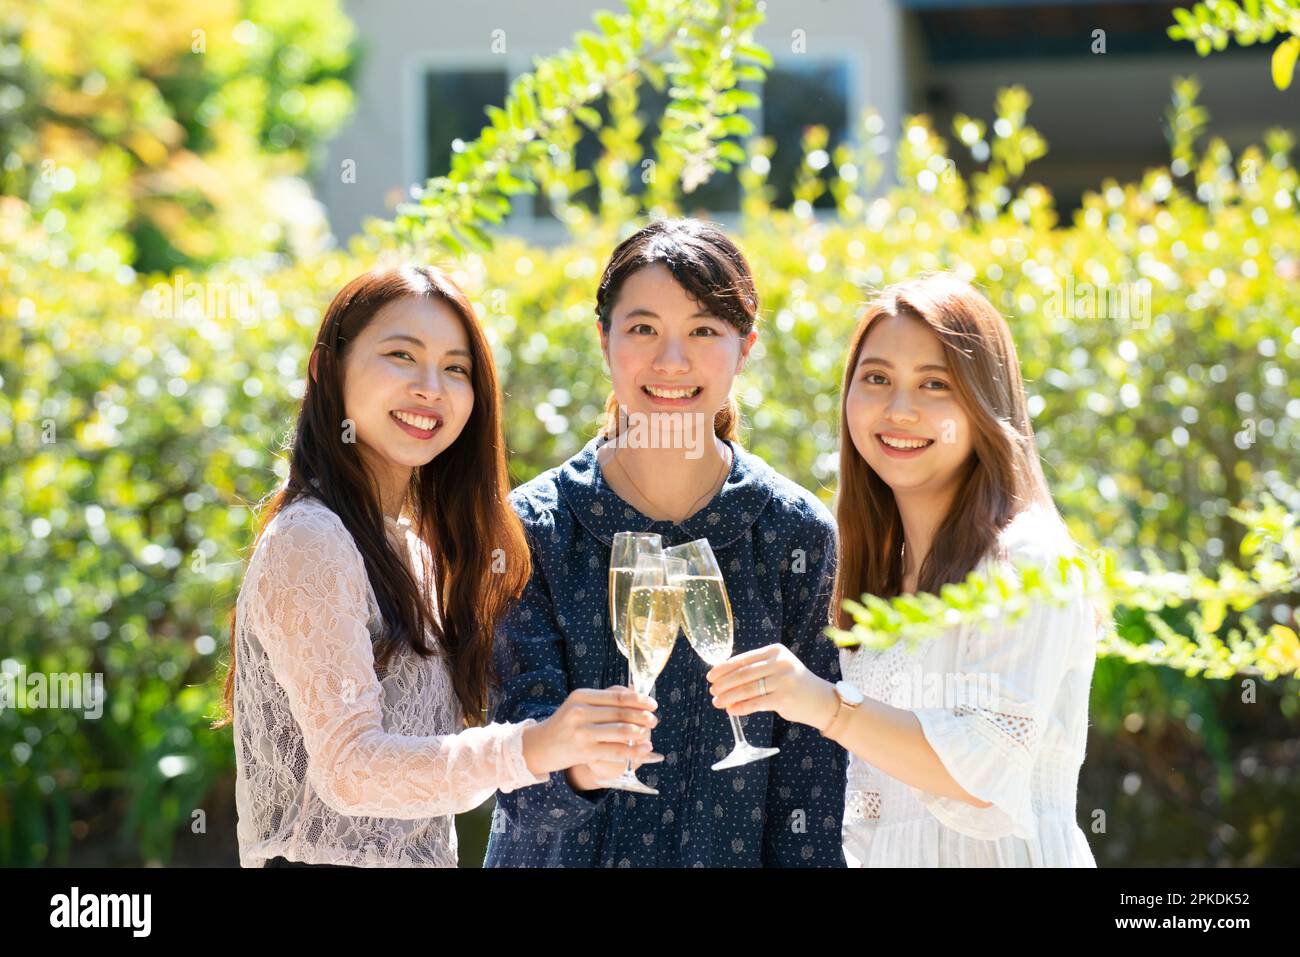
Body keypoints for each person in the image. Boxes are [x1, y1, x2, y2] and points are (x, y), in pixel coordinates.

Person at [216, 265, 658, 867]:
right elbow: (350, 769)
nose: (431, 387)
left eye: (456, 368)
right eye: (402, 355)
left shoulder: (414, 549)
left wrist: (572, 752)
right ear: (326, 368)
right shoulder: (312, 539)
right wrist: (532, 745)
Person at [484, 219, 847, 868]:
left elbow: (810, 798)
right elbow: (514, 778)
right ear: (604, 340)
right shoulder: (531, 530)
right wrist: (578, 762)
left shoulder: (796, 533)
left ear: (746, 348)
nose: (671, 361)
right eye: (643, 328)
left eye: (704, 330)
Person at [707, 273, 1099, 867]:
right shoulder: (873, 574)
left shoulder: (1027, 561)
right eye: (877, 379)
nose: (900, 410)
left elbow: (986, 768)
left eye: (935, 384)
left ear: (983, 403)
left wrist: (824, 704)